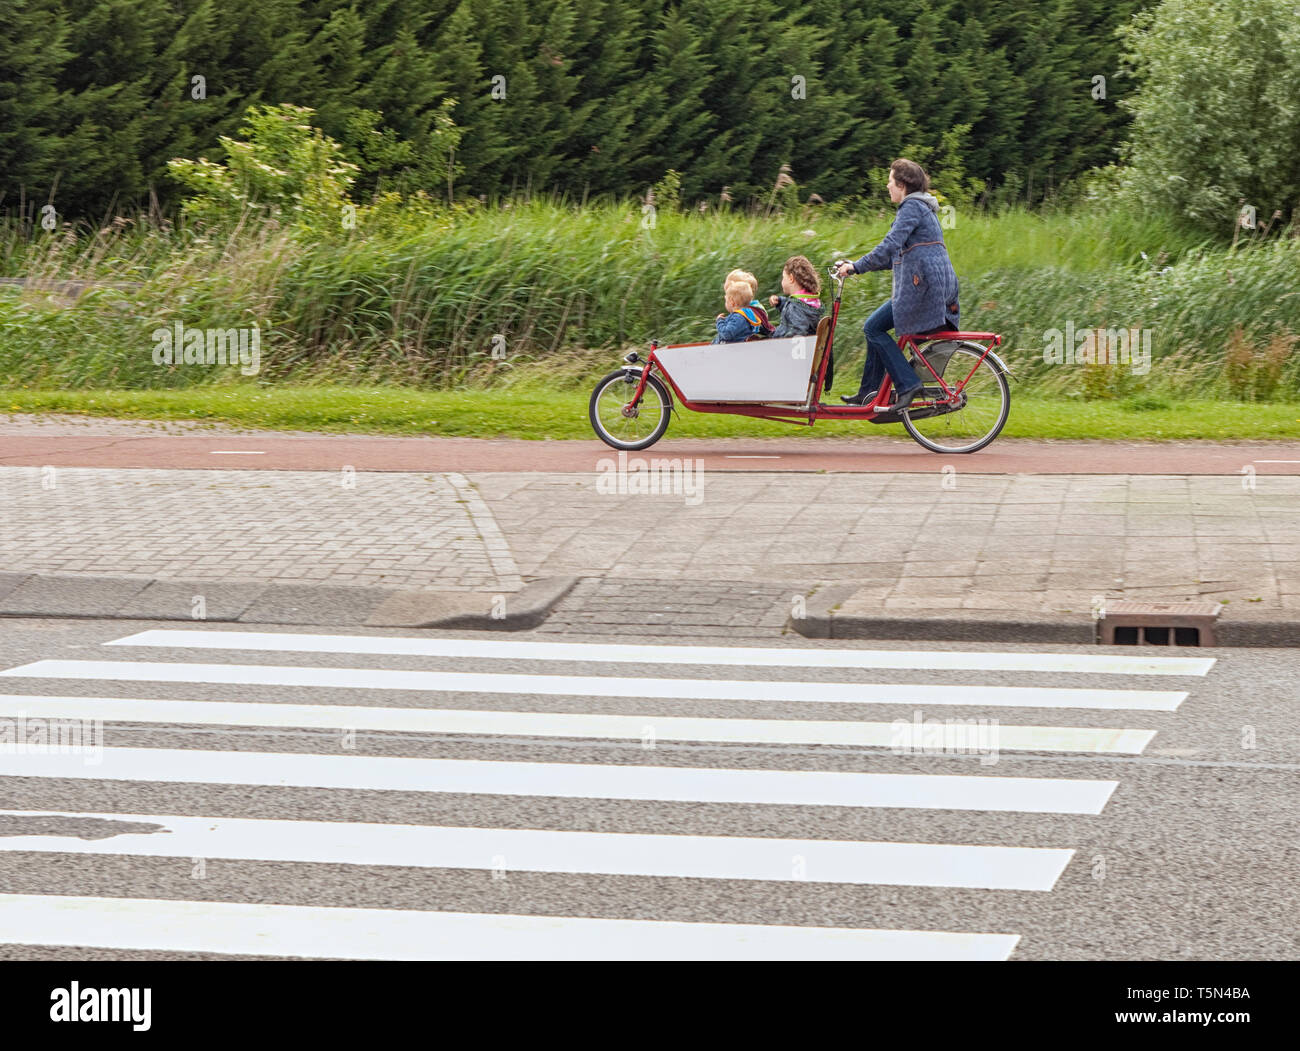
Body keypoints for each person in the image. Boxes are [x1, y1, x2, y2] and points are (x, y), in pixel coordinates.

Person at [836, 158, 960, 409]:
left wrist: (857, 267)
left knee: (873, 328)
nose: (887, 186)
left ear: (902, 185)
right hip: (930, 289)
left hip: (923, 290)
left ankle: (908, 384)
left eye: (890, 181)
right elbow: (896, 256)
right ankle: (869, 392)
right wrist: (856, 266)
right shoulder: (922, 207)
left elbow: (890, 245)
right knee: (875, 327)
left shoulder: (912, 207)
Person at [712, 279, 770, 343]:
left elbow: (726, 334)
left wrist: (719, 321)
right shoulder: (748, 314)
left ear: (732, 302)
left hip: (731, 349)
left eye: (726, 300)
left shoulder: (738, 317)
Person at [724, 269, 774, 336]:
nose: (725, 297)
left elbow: (729, 334)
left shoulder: (743, 315)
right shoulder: (757, 308)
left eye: (728, 295)